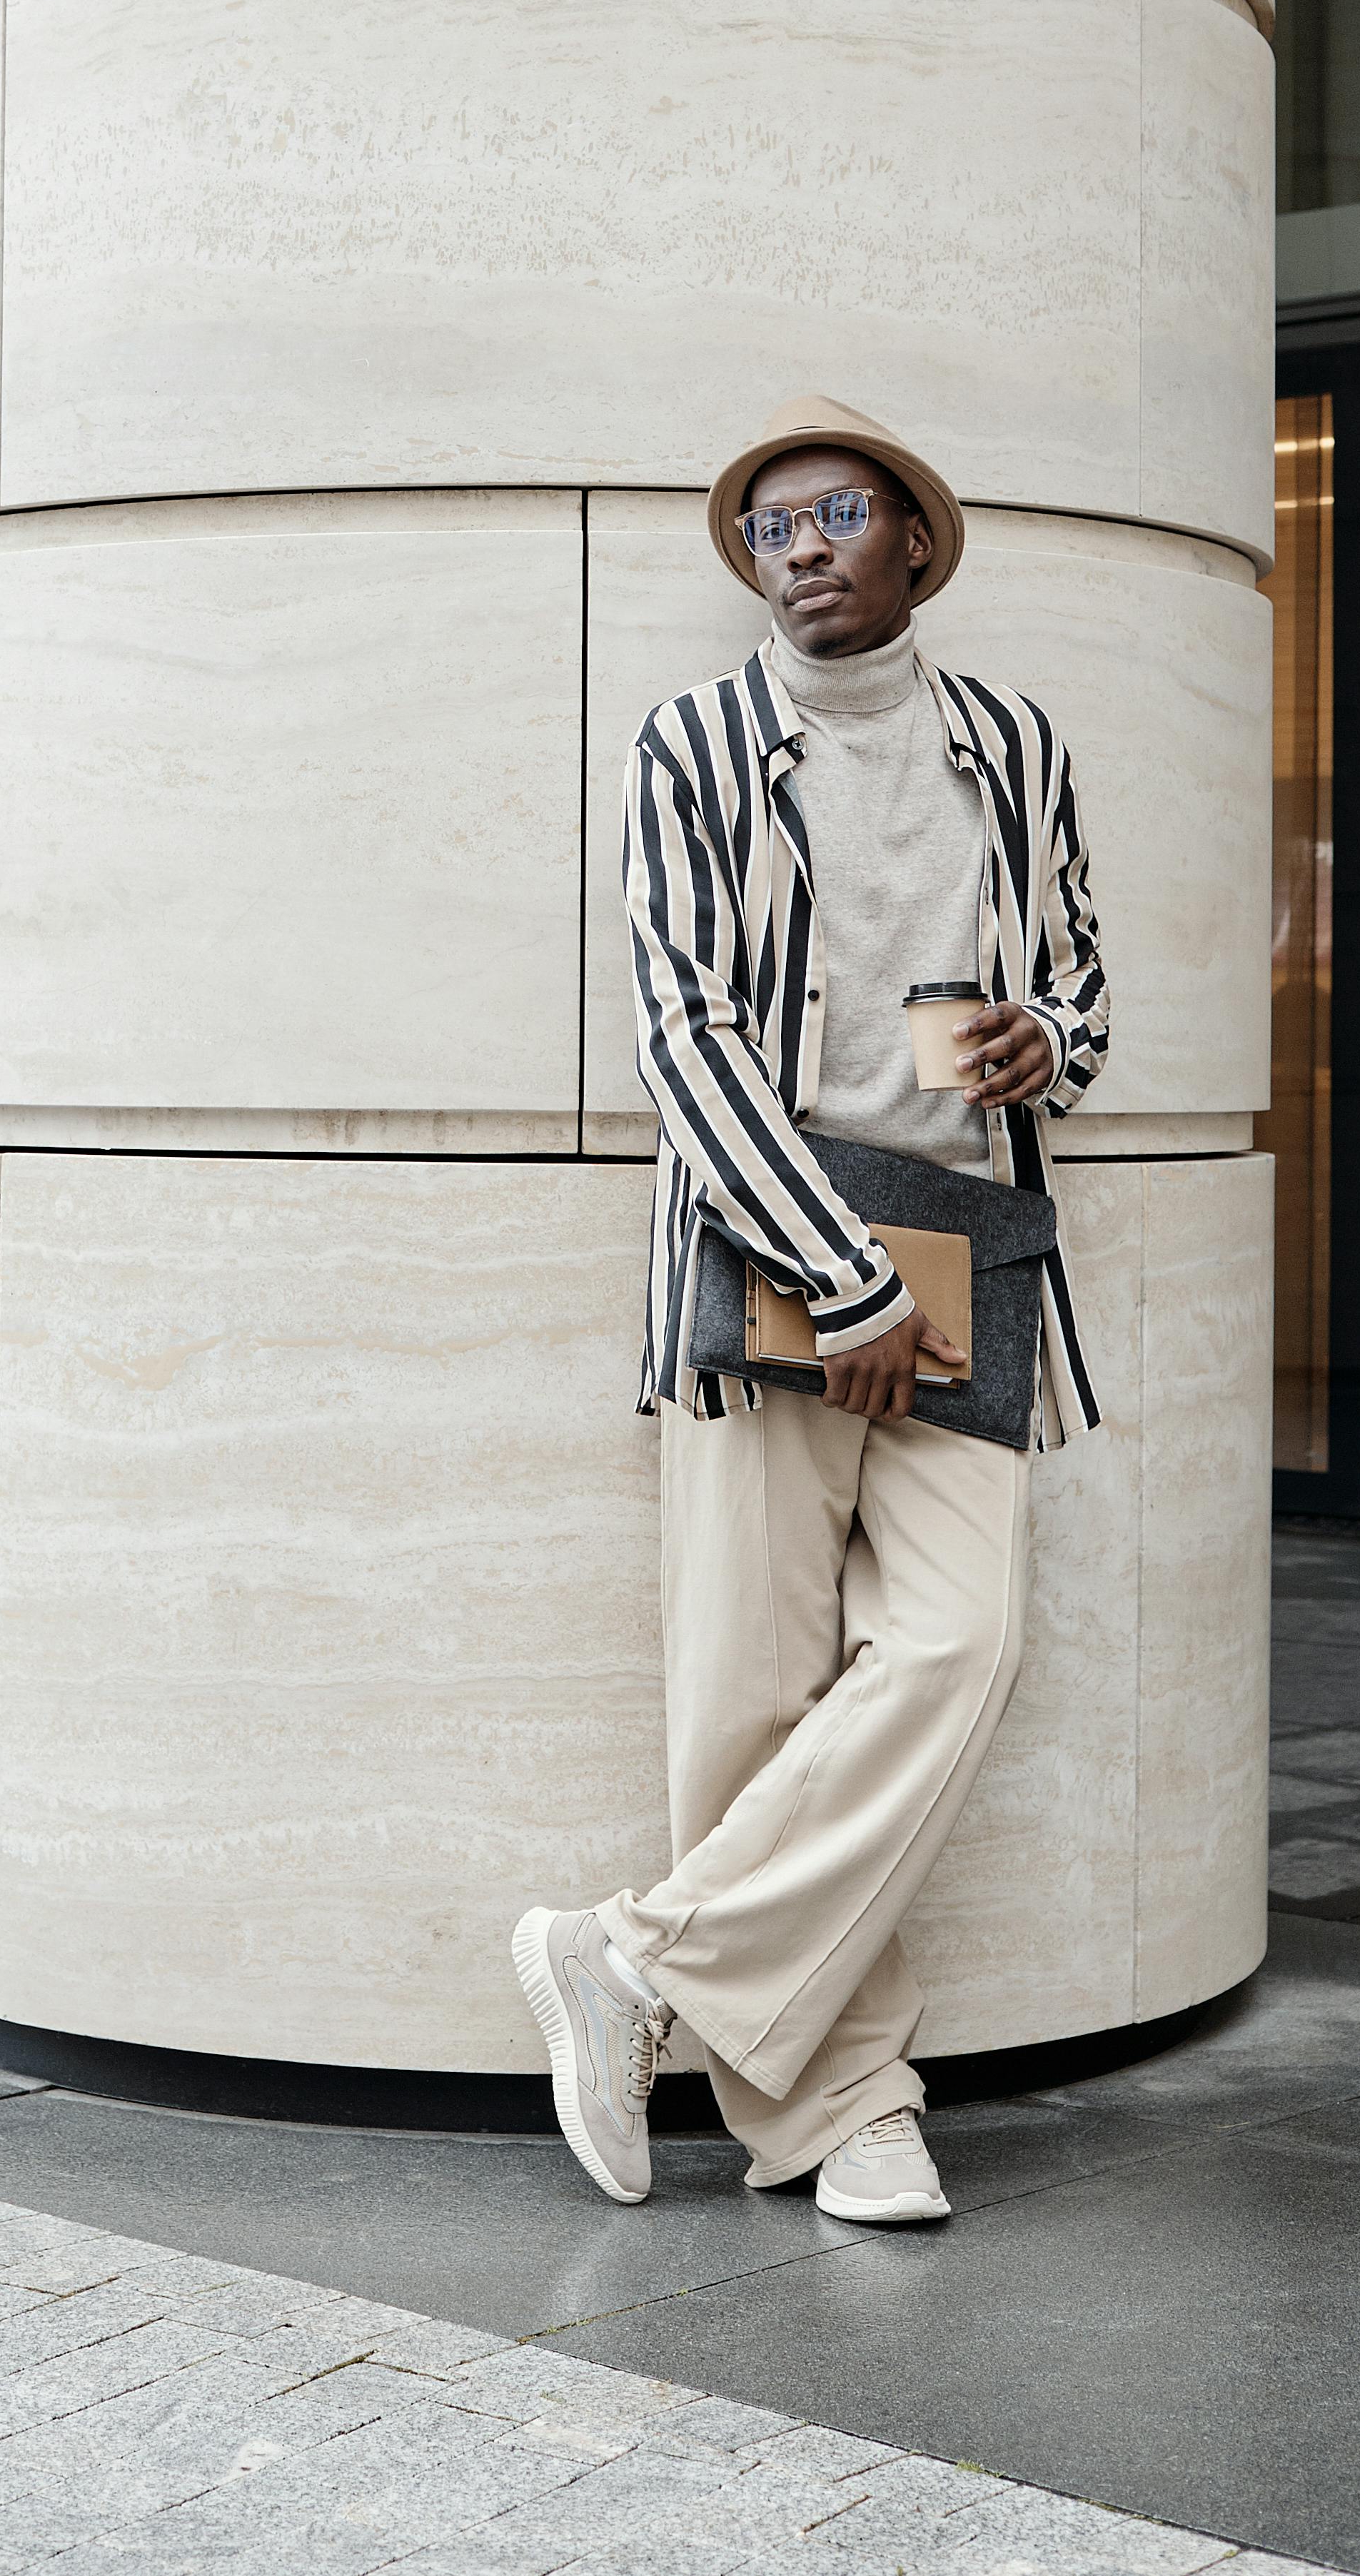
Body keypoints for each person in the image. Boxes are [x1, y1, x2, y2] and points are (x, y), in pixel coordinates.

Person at [512, 398, 1106, 2225]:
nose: (807, 548)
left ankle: (636, 1955)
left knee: (955, 1644)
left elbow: (1080, 973)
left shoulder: (1013, 744)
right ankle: (841, 2111)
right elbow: (681, 1032)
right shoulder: (693, 745)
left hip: (971, 1248)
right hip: (778, 1251)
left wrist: (1049, 1042)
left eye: (842, 515)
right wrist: (832, 1276)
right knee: (753, 1691)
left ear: (916, 541)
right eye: (774, 530)